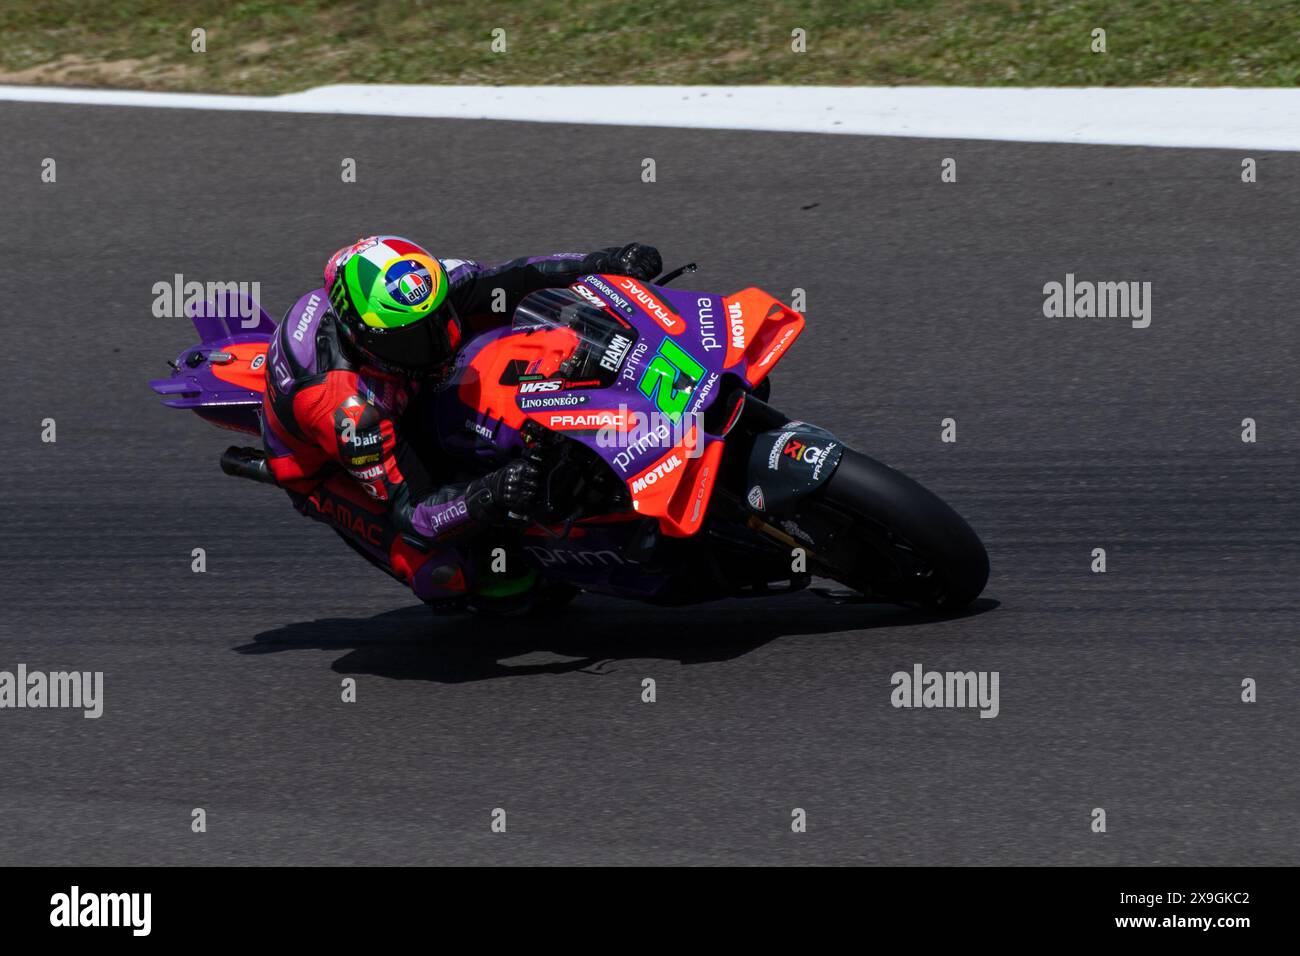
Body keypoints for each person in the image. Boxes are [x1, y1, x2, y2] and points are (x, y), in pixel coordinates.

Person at [260, 235, 661, 604]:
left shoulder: (425, 285)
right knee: (447, 571)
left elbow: (515, 275)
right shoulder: (348, 410)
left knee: (512, 318)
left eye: (439, 318)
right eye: (415, 337)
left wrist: (604, 262)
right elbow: (413, 511)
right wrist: (490, 491)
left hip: (408, 385)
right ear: (363, 339)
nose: (439, 338)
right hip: (326, 463)